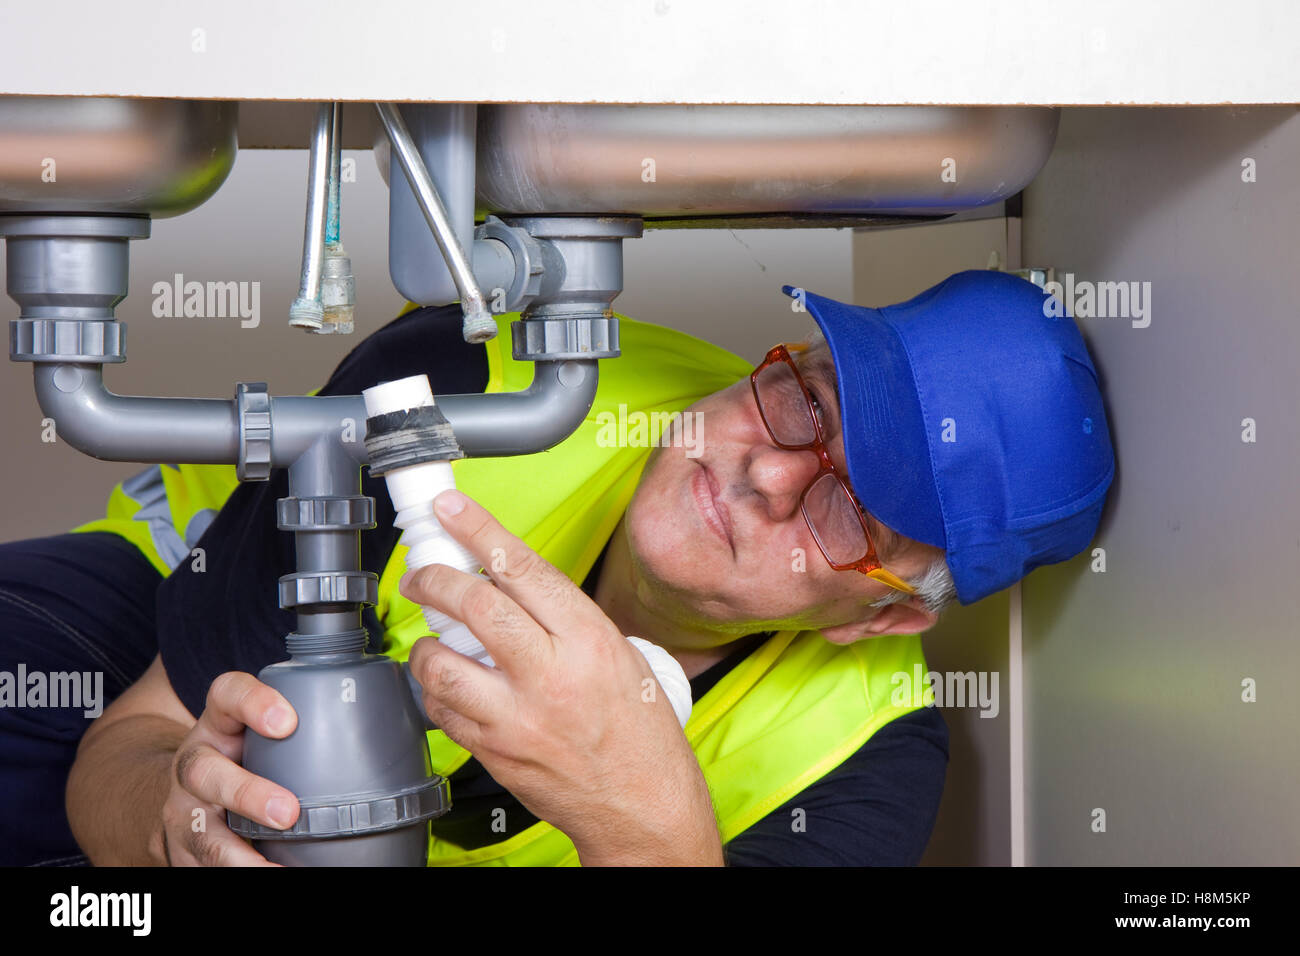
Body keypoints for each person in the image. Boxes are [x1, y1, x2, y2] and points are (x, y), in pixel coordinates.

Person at [3, 268, 1113, 866]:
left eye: (849, 513)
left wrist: (640, 822)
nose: (771, 476)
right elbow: (127, 747)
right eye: (807, 402)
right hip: (149, 607)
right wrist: (173, 821)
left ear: (874, 619)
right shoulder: (474, 385)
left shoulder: (858, 764)